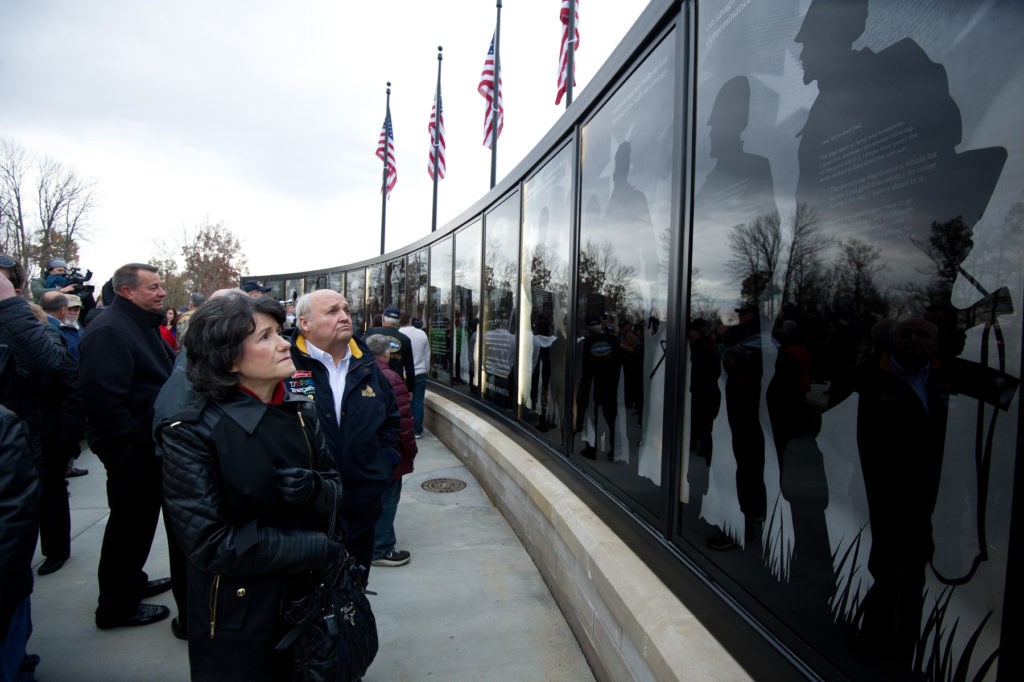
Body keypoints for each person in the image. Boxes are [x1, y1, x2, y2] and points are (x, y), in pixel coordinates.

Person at [157, 294, 343, 681]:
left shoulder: (300, 406)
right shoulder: (190, 432)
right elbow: (210, 543)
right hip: (238, 616)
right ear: (229, 359)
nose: (284, 343)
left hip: (310, 600)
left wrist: (315, 490)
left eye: (280, 332)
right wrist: (311, 548)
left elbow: (336, 484)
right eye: (265, 337)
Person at [78, 263, 175, 629]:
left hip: (143, 447)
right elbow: (103, 400)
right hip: (133, 451)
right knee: (128, 527)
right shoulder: (109, 331)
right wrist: (131, 449)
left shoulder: (138, 324)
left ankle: (130, 584)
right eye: (153, 287)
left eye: (161, 286)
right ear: (126, 292)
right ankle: (116, 607)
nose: (161, 293)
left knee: (137, 525)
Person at [286, 289, 399, 587]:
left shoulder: (367, 366)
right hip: (307, 511)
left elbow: (391, 423)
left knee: (355, 588)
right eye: (333, 311)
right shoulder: (287, 365)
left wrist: (382, 465)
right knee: (310, 595)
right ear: (305, 323)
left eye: (347, 309)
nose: (344, 316)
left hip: (361, 505)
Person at [364, 334, 417, 568]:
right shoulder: (391, 377)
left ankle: (372, 543)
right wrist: (411, 450)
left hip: (366, 452)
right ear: (386, 353)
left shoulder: (358, 371)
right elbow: (404, 423)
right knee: (388, 499)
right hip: (389, 453)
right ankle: (381, 548)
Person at [365, 306, 415, 392]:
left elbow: (360, 353)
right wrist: (410, 389)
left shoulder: (371, 333)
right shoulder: (405, 339)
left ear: (383, 319)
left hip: (374, 383)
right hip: (396, 385)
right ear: (398, 321)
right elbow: (409, 368)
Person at [398, 311, 429, 436]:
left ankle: (404, 429)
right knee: (417, 401)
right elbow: (427, 354)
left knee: (402, 402)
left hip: (402, 373)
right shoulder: (422, 334)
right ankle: (417, 430)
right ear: (410, 320)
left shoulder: (398, 334)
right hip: (420, 372)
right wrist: (426, 369)